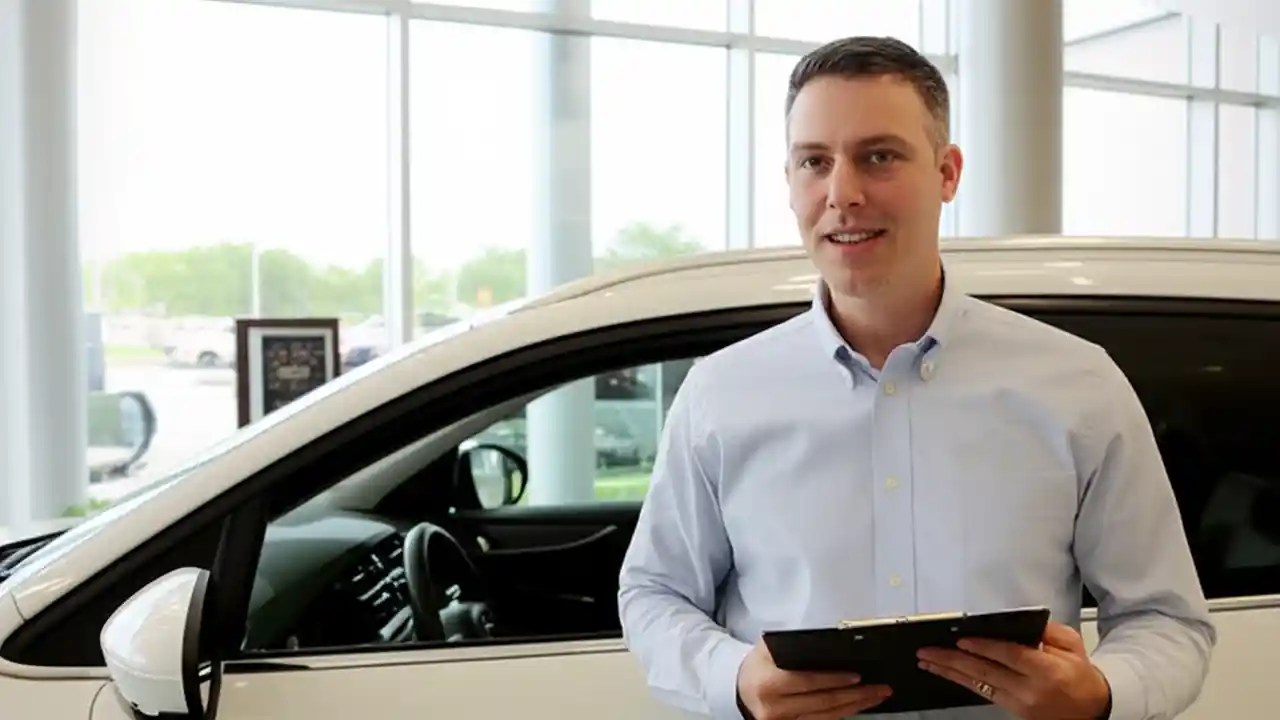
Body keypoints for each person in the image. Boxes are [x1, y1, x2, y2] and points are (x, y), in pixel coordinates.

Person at [616, 36, 1215, 720]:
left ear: (948, 172)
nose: (842, 193)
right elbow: (655, 594)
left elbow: (1169, 621)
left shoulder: (1078, 385)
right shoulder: (720, 395)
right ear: (789, 182)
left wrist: (1103, 695)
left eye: (879, 156)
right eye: (815, 162)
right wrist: (734, 680)